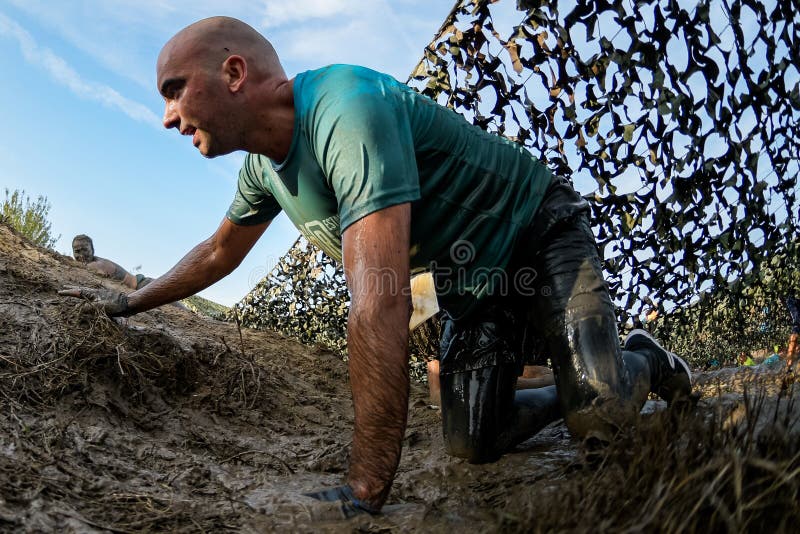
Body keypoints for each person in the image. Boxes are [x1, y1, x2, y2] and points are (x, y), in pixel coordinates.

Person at [59, 17, 692, 516]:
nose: (167, 115)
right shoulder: (261, 168)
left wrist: (364, 489)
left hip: (536, 226)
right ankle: (584, 380)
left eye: (174, 89)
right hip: (474, 283)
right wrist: (125, 303)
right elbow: (219, 253)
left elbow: (381, 300)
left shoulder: (346, 109)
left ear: (232, 72)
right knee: (474, 441)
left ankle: (645, 362)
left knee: (602, 423)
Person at [71, 234, 152, 290]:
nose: (81, 255)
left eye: (85, 250)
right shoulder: (93, 262)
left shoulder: (97, 264)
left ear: (92, 250)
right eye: (77, 251)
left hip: (142, 285)